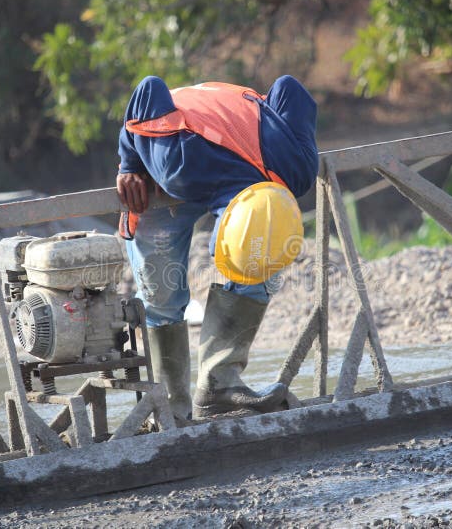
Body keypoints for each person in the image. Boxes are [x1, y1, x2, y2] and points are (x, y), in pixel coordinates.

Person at [116, 75, 318, 420]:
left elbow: (290, 89)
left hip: (244, 141)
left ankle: (219, 387)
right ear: (218, 242)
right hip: (174, 145)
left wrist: (247, 264)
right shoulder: (176, 164)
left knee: (258, 265)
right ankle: (168, 409)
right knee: (161, 296)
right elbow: (147, 91)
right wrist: (130, 164)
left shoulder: (297, 171)